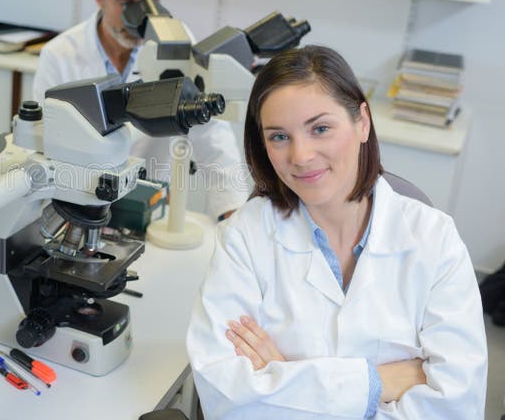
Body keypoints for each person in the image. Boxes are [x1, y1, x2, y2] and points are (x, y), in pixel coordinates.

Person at [186, 45, 487, 419]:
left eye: (321, 128)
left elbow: (458, 408)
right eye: (279, 137)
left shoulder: (436, 241)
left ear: (363, 122)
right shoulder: (244, 236)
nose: (301, 155)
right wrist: (377, 383)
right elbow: (227, 399)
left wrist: (284, 377)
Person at [32, 0, 248, 220]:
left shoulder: (177, 46)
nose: (138, 19)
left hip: (151, 199)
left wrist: (232, 212)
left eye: (150, 4)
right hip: (77, 200)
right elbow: (42, 143)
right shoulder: (60, 54)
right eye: (127, 4)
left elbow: (212, 135)